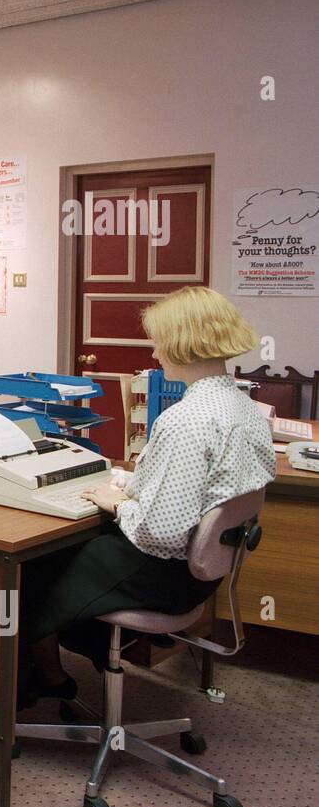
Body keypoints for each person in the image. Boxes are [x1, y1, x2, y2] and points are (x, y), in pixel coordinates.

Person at [17, 286, 275, 708]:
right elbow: (202, 488)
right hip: (198, 581)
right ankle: (76, 660)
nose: (155, 354)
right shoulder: (243, 407)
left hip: (158, 575)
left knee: (29, 567)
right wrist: (125, 483)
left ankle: (47, 677)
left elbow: (161, 533)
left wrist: (117, 503)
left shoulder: (185, 420)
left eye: (158, 342)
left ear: (181, 344)